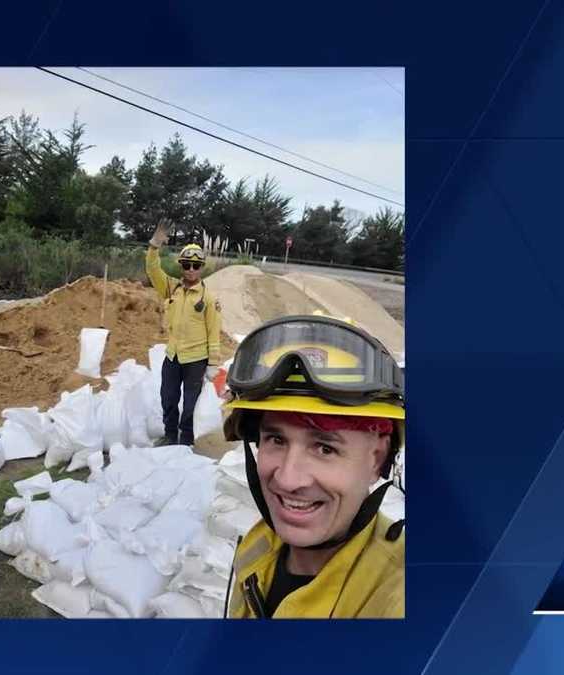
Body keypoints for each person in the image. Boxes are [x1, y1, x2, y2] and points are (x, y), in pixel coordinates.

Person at [221, 314, 405, 618]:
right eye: (276, 440)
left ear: (377, 459)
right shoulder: (259, 545)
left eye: (325, 448)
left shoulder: (398, 593)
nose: (288, 479)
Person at [145, 220, 222, 446]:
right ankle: (170, 436)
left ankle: (186, 440)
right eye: (187, 264)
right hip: (173, 356)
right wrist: (154, 245)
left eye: (195, 266)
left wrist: (213, 365)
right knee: (168, 398)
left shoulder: (208, 298)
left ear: (201, 268)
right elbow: (152, 269)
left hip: (196, 360)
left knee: (191, 404)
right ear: (181, 265)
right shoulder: (171, 288)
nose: (190, 269)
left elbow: (214, 331)